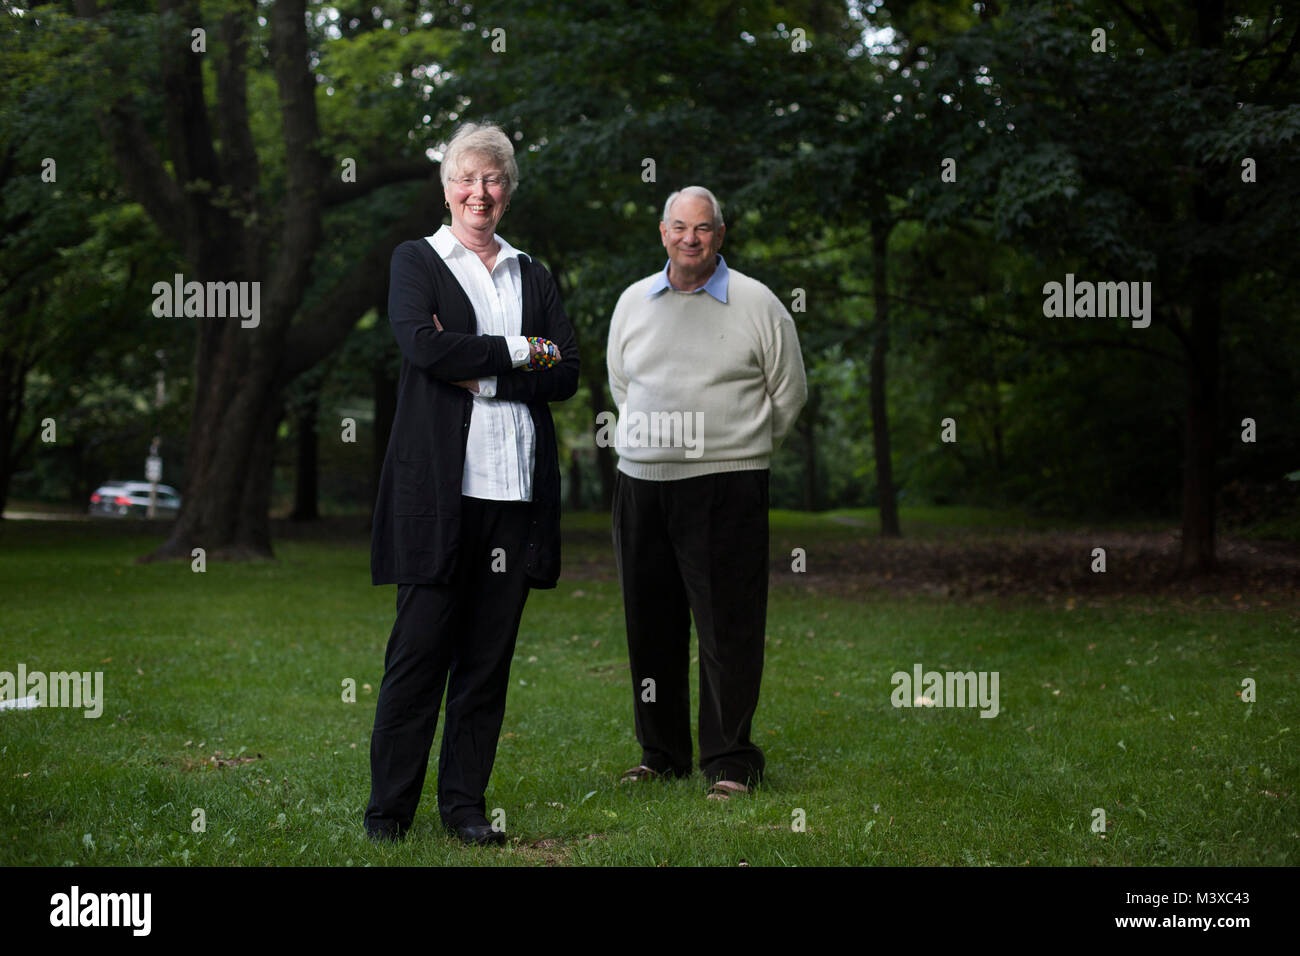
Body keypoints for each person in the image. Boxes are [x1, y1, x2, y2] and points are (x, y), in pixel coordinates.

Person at [366, 122, 578, 844]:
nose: (479, 193)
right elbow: (422, 347)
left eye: (493, 180)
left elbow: (569, 371)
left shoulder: (532, 274)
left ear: (507, 191)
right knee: (419, 656)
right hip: (439, 497)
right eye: (467, 179)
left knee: (486, 666)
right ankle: (388, 814)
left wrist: (481, 370)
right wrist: (522, 353)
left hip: (513, 499)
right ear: (447, 187)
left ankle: (464, 809)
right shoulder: (417, 261)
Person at [606, 185, 806, 800]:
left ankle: (731, 759)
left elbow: (788, 393)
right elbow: (621, 383)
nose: (691, 238)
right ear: (662, 232)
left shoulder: (757, 302)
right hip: (641, 484)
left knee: (728, 624)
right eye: (679, 227)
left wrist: (736, 448)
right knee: (650, 624)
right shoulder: (634, 301)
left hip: (726, 485)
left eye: (703, 228)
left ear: (720, 235)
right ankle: (660, 753)